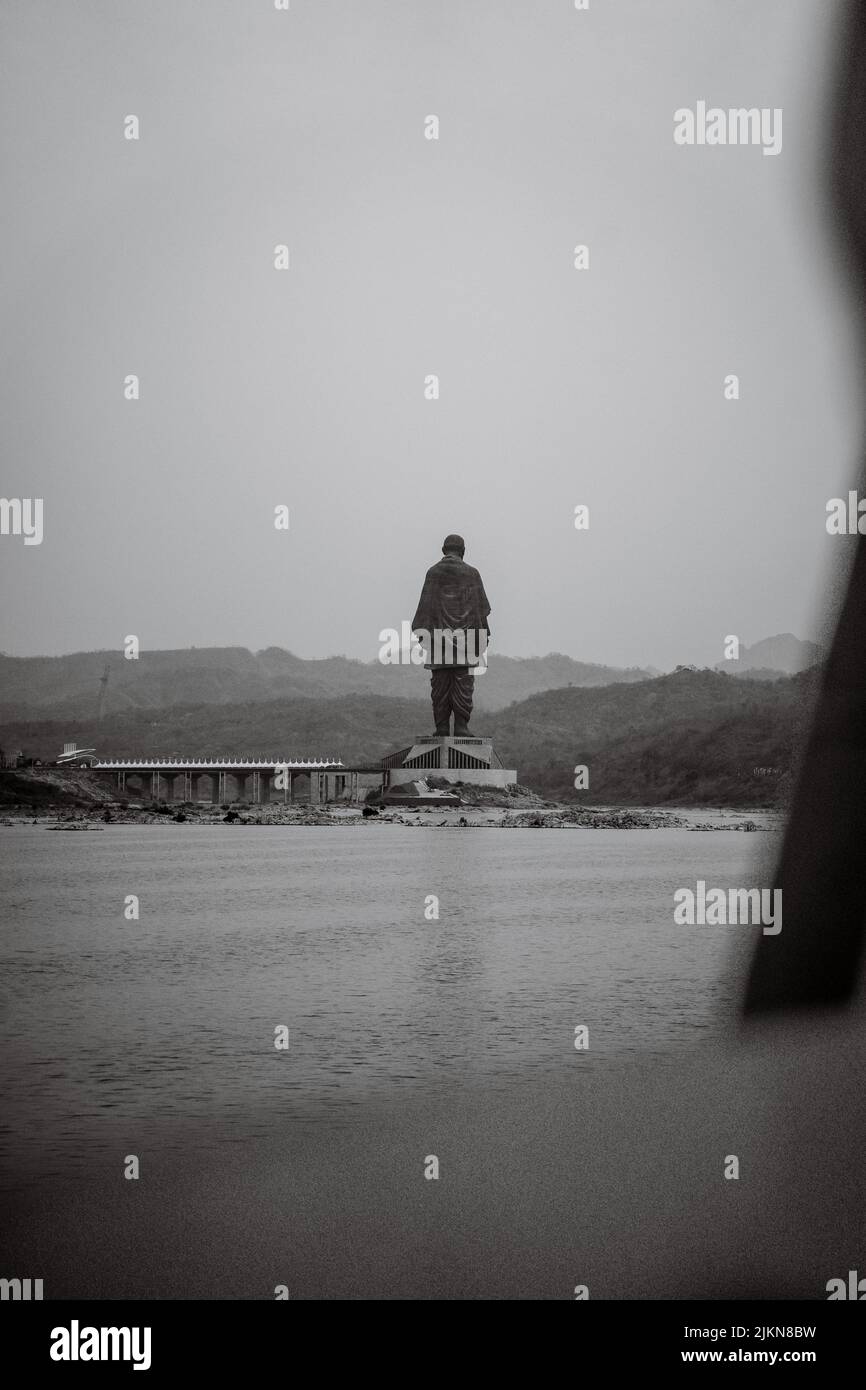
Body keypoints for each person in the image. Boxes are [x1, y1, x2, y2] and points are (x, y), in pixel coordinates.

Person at [411, 534, 491, 736]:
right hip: (466, 642)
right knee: (463, 686)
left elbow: (424, 608)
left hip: (438, 641)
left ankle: (442, 727)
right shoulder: (472, 573)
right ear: (463, 551)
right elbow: (481, 609)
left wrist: (423, 634)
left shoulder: (433, 573)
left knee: (440, 687)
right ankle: (462, 727)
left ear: (443, 550)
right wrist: (484, 635)